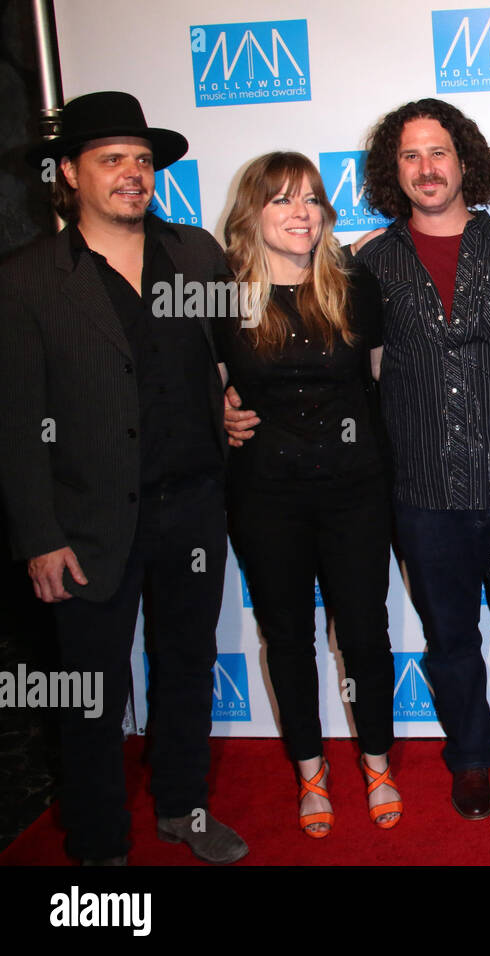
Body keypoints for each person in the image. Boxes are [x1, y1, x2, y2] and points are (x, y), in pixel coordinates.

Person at [0, 91, 247, 864]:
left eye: (143, 161)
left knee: (187, 668)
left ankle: (182, 806)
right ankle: (100, 841)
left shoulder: (197, 253)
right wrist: (39, 537)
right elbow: (14, 424)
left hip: (196, 506)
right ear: (70, 173)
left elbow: (221, 358)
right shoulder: (28, 279)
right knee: (89, 695)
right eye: (112, 160)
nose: (133, 175)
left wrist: (231, 403)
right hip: (86, 523)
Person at [352, 98, 490, 820]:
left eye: (439, 152)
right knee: (449, 640)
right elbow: (345, 369)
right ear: (396, 172)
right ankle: (471, 757)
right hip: (422, 493)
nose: (427, 168)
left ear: (464, 162)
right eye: (411, 156)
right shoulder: (372, 263)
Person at [216, 152, 398, 837]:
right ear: (252, 216)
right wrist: (221, 411)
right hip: (265, 496)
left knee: (365, 634)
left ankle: (376, 761)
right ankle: (310, 771)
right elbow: (194, 385)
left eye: (312, 199)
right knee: (287, 637)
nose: (301, 212)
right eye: (282, 200)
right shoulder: (225, 298)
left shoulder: (354, 287)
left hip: (356, 490)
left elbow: (380, 383)